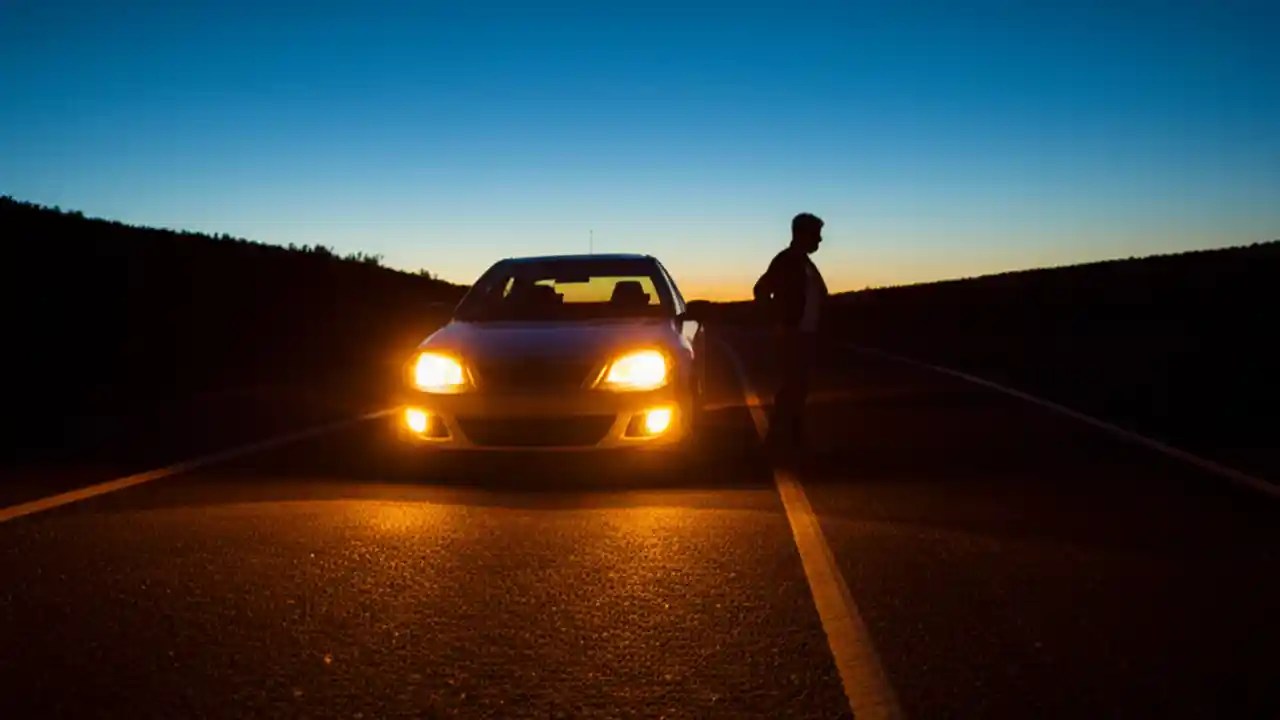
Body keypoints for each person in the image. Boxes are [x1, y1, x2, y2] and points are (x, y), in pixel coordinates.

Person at [753, 212, 827, 457]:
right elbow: (762, 289)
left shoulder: (804, 263)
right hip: (793, 334)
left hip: (805, 334)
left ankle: (791, 439)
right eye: (816, 235)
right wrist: (779, 319)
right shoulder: (787, 261)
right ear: (803, 235)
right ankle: (779, 441)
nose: (820, 240)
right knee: (791, 388)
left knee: (798, 388)